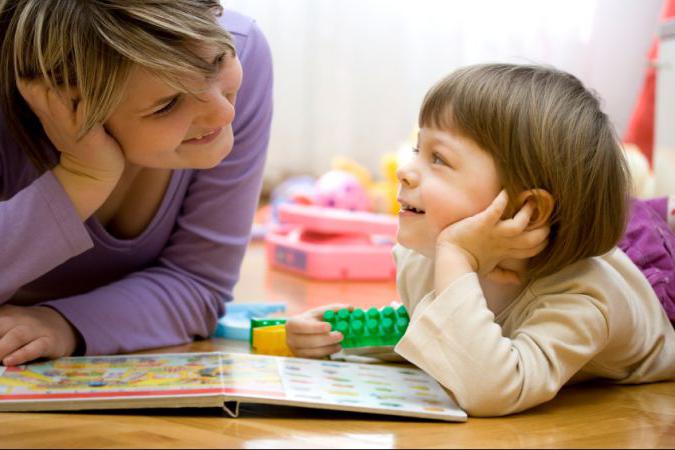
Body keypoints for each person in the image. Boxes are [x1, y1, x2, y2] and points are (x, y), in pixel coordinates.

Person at [286, 64, 675, 416]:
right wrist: (341, 337)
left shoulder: (584, 300)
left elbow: (491, 388)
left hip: (652, 292)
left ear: (528, 212)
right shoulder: (427, 258)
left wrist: (456, 257)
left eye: (438, 159)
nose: (405, 170)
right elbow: (449, 328)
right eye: (420, 149)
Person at [0, 0, 273, 366]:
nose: (224, 113)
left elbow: (199, 285)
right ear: (67, 102)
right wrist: (82, 177)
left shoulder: (244, 46)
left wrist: (63, 324)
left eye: (218, 62)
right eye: (166, 105)